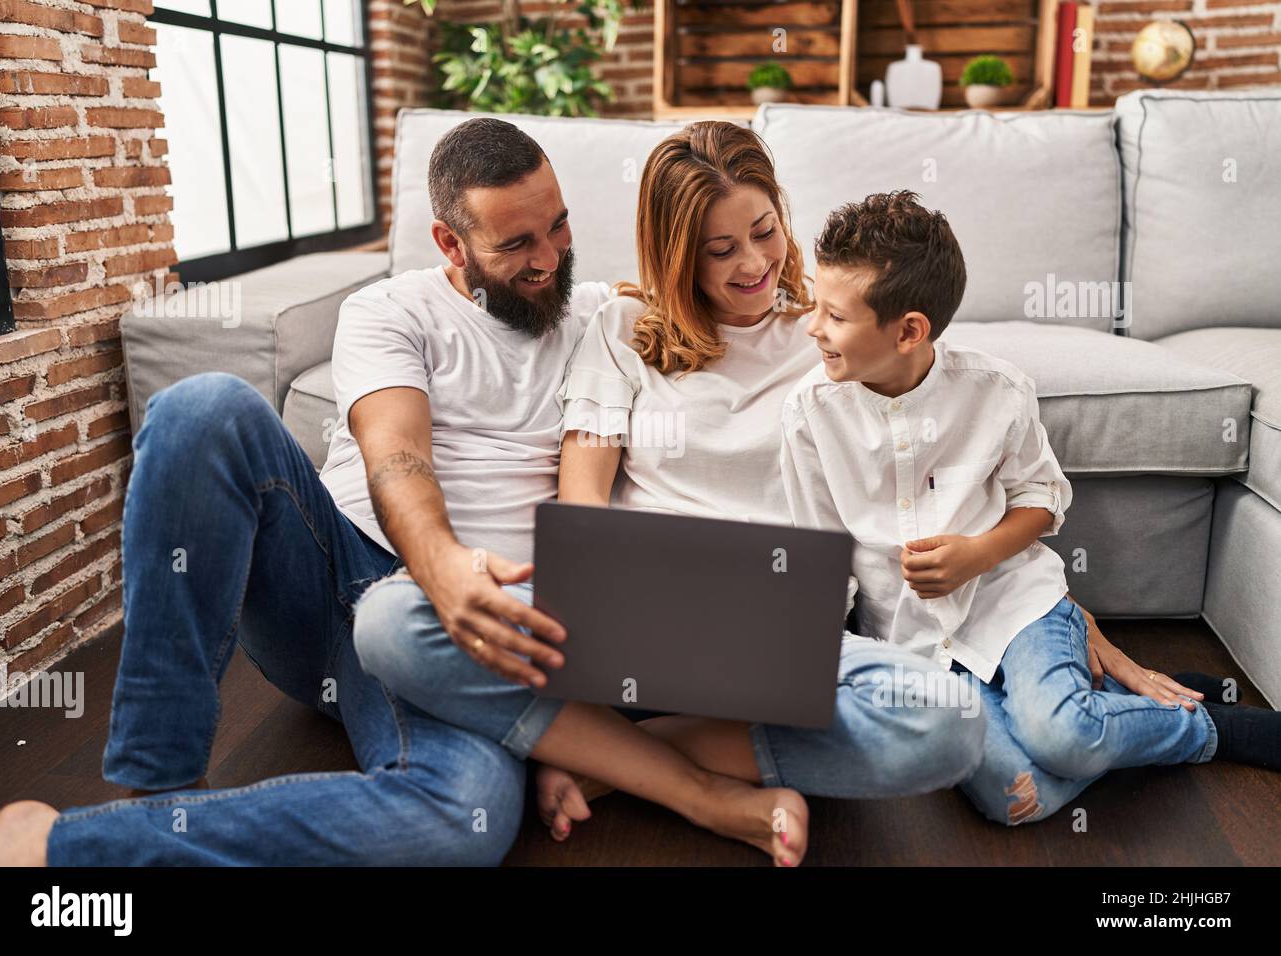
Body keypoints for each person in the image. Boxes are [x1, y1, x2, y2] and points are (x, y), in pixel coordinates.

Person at [352, 121, 988, 868]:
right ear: (677, 253)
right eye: (720, 250)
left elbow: (959, 452)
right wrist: (594, 611)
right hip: (633, 622)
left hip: (777, 628)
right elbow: (581, 502)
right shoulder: (622, 329)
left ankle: (612, 761)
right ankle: (680, 773)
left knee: (951, 723)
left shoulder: (836, 335)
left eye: (764, 231)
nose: (753, 263)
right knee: (392, 617)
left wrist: (1052, 605)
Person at [0, 117, 608, 866]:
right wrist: (442, 568)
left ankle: (70, 849)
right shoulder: (390, 309)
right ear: (450, 243)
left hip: (451, 648)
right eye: (515, 245)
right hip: (331, 573)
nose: (547, 258)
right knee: (202, 407)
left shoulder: (603, 318)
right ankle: (159, 791)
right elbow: (396, 454)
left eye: (558, 226)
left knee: (465, 816)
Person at [779, 189, 1281, 826]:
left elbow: (1044, 499)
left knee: (1063, 738)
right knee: (1015, 798)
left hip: (1013, 605)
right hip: (914, 645)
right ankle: (1109, 698)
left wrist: (975, 554)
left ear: (909, 330)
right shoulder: (809, 414)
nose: (812, 327)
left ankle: (1217, 729)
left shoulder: (996, 390)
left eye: (834, 315)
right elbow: (821, 557)